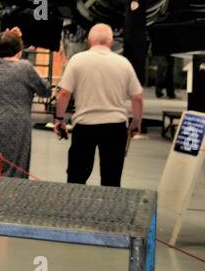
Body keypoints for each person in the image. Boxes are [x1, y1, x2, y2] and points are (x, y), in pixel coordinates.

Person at [53, 23, 143, 187]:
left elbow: (64, 93)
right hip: (115, 127)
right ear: (111, 42)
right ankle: (109, 211)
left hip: (85, 126)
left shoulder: (77, 60)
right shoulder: (123, 63)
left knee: (77, 176)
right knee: (111, 177)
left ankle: (73, 209)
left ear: (89, 40)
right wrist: (136, 122)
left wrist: (59, 119)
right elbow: (137, 97)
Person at [0, 29, 50, 179]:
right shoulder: (25, 67)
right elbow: (45, 90)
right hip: (18, 123)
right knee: (16, 163)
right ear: (19, 49)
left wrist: (6, 35)